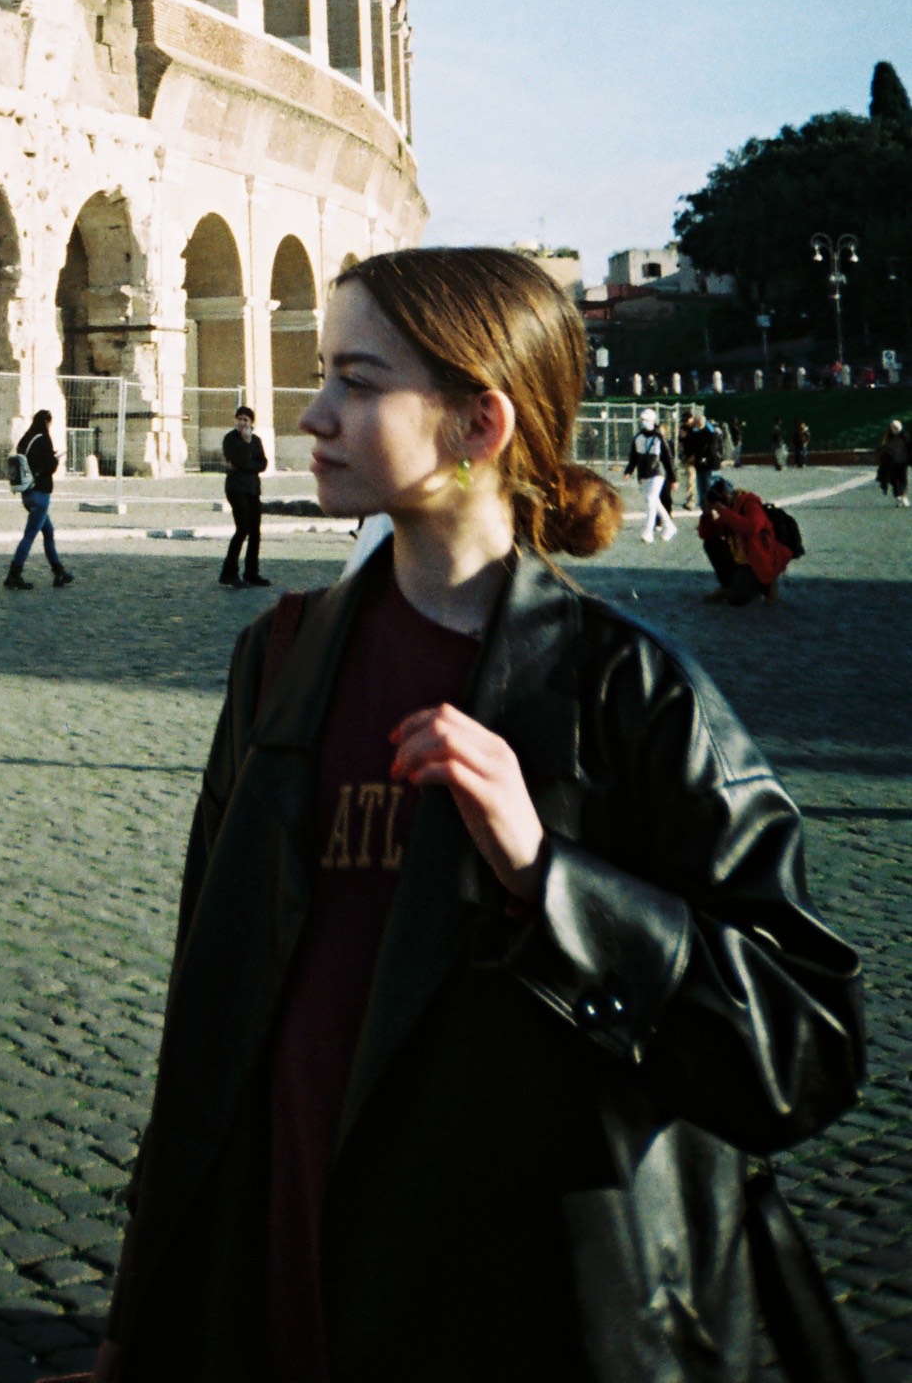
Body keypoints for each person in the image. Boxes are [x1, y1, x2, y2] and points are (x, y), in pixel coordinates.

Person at [96, 247, 862, 1383]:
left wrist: (552, 879)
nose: (313, 414)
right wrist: (138, 1329)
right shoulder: (277, 662)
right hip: (274, 1287)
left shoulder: (628, 692)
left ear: (477, 425)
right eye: (322, 374)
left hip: (517, 1314)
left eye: (357, 381)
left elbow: (808, 1046)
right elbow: (205, 1011)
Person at [698, 473, 797, 606]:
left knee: (736, 599)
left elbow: (751, 527)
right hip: (743, 559)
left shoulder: (749, 503)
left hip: (760, 560)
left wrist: (722, 510)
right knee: (711, 544)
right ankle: (728, 585)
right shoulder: (728, 510)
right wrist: (707, 514)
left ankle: (767, 583)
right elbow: (706, 534)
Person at [5, 408, 73, 590]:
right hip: (40, 494)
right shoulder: (44, 439)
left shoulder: (26, 438)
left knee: (48, 532)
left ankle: (59, 572)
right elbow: (49, 466)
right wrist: (55, 460)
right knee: (29, 536)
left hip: (26, 492)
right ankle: (13, 575)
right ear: (46, 422)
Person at [218, 404, 270, 590]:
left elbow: (263, 464)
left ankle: (251, 573)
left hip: (253, 489)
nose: (242, 422)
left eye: (245, 420)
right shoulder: (230, 439)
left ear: (251, 422)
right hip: (236, 488)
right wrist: (246, 448)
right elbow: (238, 460)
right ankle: (229, 573)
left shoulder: (256, 440)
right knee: (242, 529)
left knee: (255, 531)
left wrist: (248, 464)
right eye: (239, 419)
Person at [624, 406, 675, 543]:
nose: (644, 422)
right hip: (643, 474)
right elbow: (633, 458)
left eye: (646, 420)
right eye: (642, 420)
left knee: (651, 499)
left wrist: (673, 478)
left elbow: (667, 459)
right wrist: (628, 470)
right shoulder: (638, 437)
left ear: (653, 421)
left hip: (658, 473)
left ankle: (648, 532)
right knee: (653, 501)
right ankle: (669, 526)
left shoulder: (659, 438)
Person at [876, 418, 909, 509]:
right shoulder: (888, 436)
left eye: (895, 427)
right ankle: (899, 496)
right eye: (893, 427)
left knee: (901, 479)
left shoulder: (904, 436)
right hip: (891, 462)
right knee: (893, 480)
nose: (894, 429)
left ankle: (902, 495)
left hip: (901, 461)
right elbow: (882, 448)